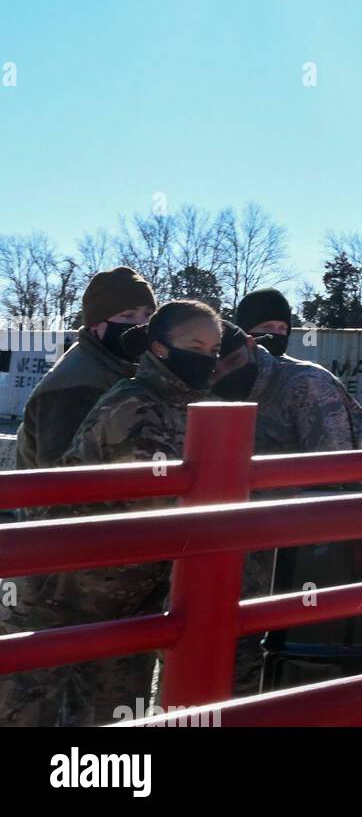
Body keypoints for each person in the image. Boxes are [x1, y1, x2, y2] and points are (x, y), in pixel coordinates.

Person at [0, 300, 221, 728]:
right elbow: (160, 504)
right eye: (196, 345)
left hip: (125, 600)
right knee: (25, 714)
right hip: (60, 593)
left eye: (213, 350)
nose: (207, 359)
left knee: (112, 720)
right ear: (159, 349)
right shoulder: (135, 403)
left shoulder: (189, 405)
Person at [210, 323, 362, 695]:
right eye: (216, 367)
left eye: (232, 361)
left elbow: (337, 478)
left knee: (282, 674)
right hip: (232, 554)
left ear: (250, 344)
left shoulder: (304, 385)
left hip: (294, 560)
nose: (225, 373)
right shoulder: (208, 387)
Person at [14, 266, 156, 471]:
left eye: (148, 315)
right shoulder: (75, 383)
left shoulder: (121, 366)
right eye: (128, 316)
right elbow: (59, 475)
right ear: (96, 324)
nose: (141, 325)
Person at [234, 287, 294, 358]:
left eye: (282, 328)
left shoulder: (299, 368)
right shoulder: (223, 367)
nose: (276, 333)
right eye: (267, 327)